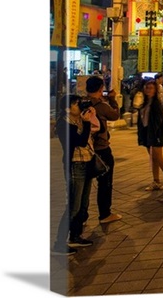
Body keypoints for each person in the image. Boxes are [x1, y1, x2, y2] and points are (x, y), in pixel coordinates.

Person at [53, 95, 97, 255]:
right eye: (77, 104)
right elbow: (80, 141)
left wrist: (89, 118)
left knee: (83, 204)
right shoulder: (63, 124)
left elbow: (95, 131)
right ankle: (59, 244)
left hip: (87, 162)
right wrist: (85, 122)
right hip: (75, 165)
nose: (80, 106)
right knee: (73, 206)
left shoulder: (79, 119)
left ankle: (75, 235)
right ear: (68, 107)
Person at [86, 76, 123, 224]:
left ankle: (81, 217)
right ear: (101, 89)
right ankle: (105, 214)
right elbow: (114, 115)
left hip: (84, 149)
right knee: (105, 182)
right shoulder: (101, 106)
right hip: (101, 149)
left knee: (84, 185)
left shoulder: (81, 103)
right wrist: (113, 99)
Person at [137, 80, 163, 191]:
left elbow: (158, 121)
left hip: (155, 134)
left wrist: (154, 134)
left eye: (151, 88)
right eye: (147, 88)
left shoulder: (156, 104)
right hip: (147, 133)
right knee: (153, 158)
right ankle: (156, 181)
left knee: (158, 157)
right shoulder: (145, 103)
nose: (148, 90)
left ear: (155, 90)